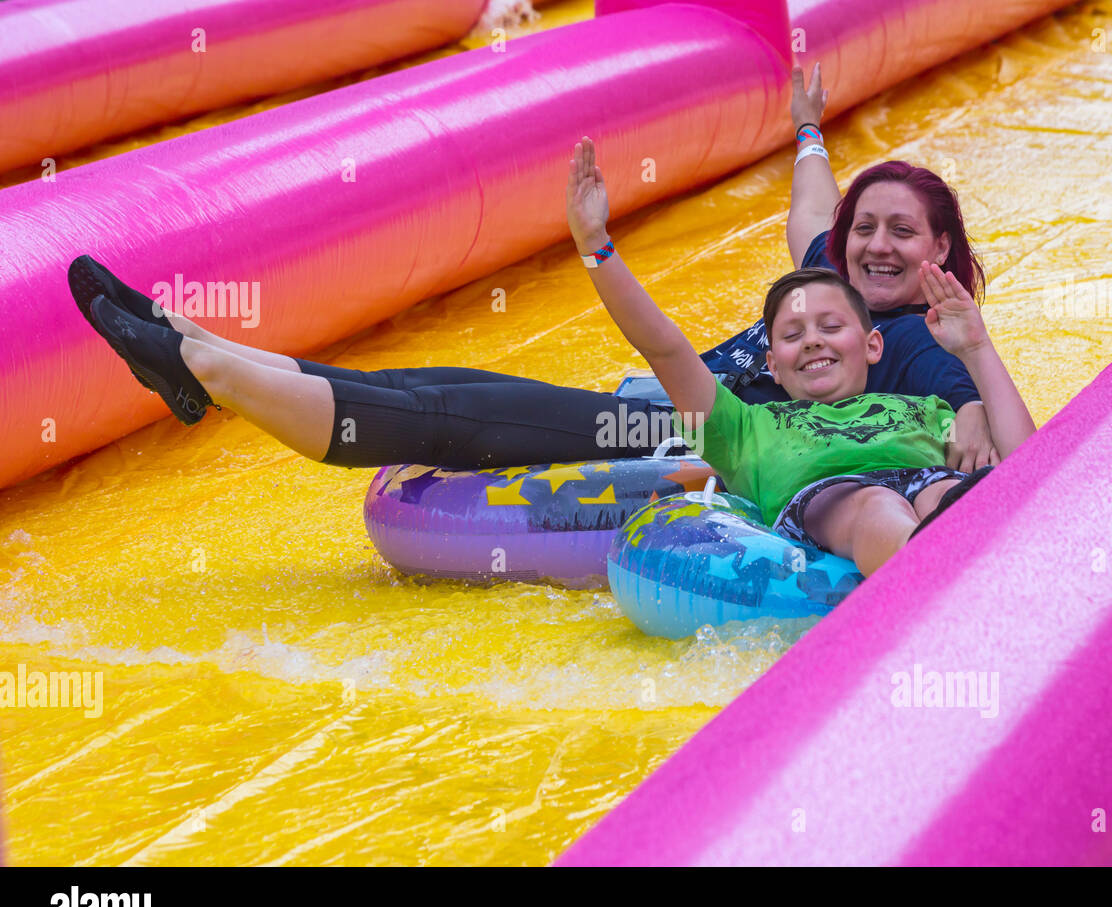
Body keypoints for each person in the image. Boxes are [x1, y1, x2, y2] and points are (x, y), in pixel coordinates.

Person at [67, 63, 995, 473]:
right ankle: (190, 342)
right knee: (439, 380)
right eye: (865, 226)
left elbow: (965, 410)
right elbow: (809, 210)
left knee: (445, 415)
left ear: (940, 252)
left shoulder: (910, 341)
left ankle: (203, 373)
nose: (875, 244)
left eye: (902, 234)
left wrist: (970, 424)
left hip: (671, 444)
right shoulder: (830, 285)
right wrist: (806, 127)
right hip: (653, 405)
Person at [565, 137, 1036, 575]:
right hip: (839, 505)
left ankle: (975, 530)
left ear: (873, 344)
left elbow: (1030, 462)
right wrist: (595, 247)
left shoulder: (925, 409)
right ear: (771, 362)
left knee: (942, 491)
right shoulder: (744, 427)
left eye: (831, 327)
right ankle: (925, 565)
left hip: (927, 480)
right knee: (873, 505)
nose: (813, 340)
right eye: (793, 334)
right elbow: (663, 346)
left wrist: (977, 347)